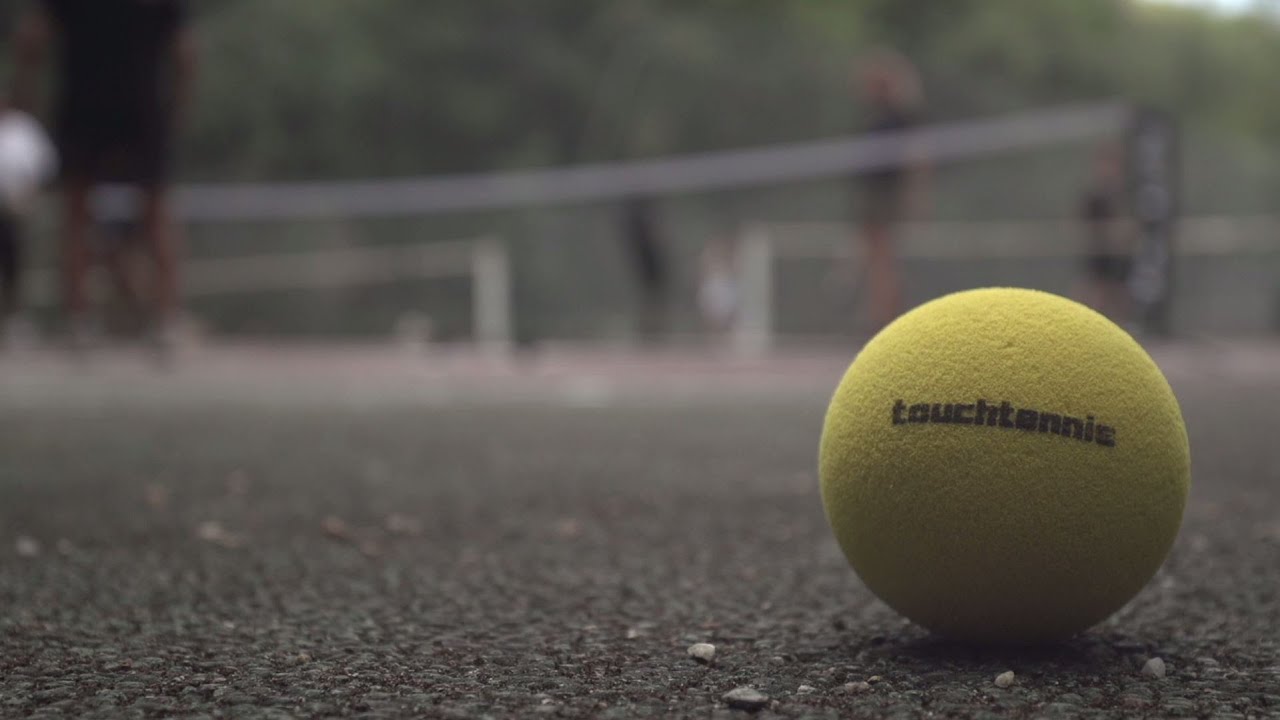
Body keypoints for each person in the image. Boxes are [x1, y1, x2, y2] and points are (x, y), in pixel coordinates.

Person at [10, 0, 196, 353]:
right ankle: (167, 320)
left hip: (84, 101)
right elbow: (185, 52)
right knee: (156, 212)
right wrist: (179, 110)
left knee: (77, 214)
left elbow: (31, 39)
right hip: (142, 101)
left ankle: (80, 322)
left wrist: (24, 97)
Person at [850, 48, 927, 333]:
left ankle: (884, 320)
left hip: (886, 196)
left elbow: (917, 159)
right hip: (873, 195)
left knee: (883, 262)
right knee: (876, 262)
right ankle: (879, 316)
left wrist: (916, 198)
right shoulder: (876, 117)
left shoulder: (899, 117)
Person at [1077, 143, 1133, 324]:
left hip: (1119, 254)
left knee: (1119, 292)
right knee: (1096, 291)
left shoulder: (1125, 194)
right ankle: (1086, 323)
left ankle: (1122, 327)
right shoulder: (1093, 196)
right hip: (1098, 252)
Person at [622, 196, 669, 343]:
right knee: (651, 297)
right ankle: (648, 333)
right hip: (646, 267)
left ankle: (652, 332)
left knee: (655, 296)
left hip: (652, 267)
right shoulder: (637, 230)